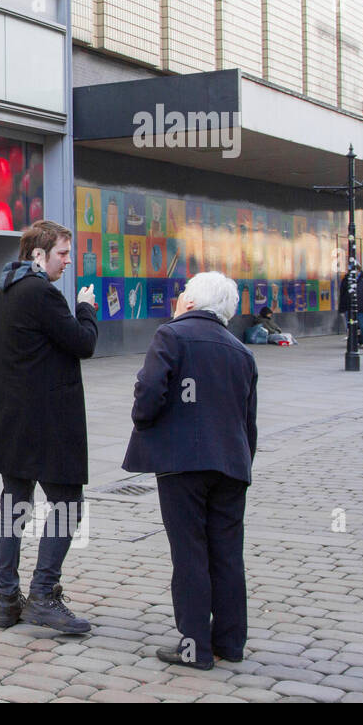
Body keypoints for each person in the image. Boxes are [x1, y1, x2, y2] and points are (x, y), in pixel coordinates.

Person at [0, 220, 97, 634]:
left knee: (15, 502)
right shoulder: (42, 292)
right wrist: (86, 307)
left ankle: (6, 600)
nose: (68, 260)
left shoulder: (1, 293)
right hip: (45, 420)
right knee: (67, 503)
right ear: (38, 254)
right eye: (63, 252)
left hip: (8, 418)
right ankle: (43, 595)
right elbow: (84, 343)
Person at [122, 272, 257, 670]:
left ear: (193, 302)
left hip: (183, 462)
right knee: (228, 553)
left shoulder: (172, 335)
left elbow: (149, 392)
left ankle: (195, 645)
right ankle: (231, 642)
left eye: (183, 294)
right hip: (232, 463)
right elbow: (248, 420)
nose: (178, 298)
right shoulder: (241, 351)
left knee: (190, 552)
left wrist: (146, 423)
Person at [337, 258, 363, 354]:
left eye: (355, 269)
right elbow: (343, 294)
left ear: (359, 269)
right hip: (349, 309)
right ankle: (352, 346)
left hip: (362, 309)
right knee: (350, 329)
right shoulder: (346, 279)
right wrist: (342, 309)